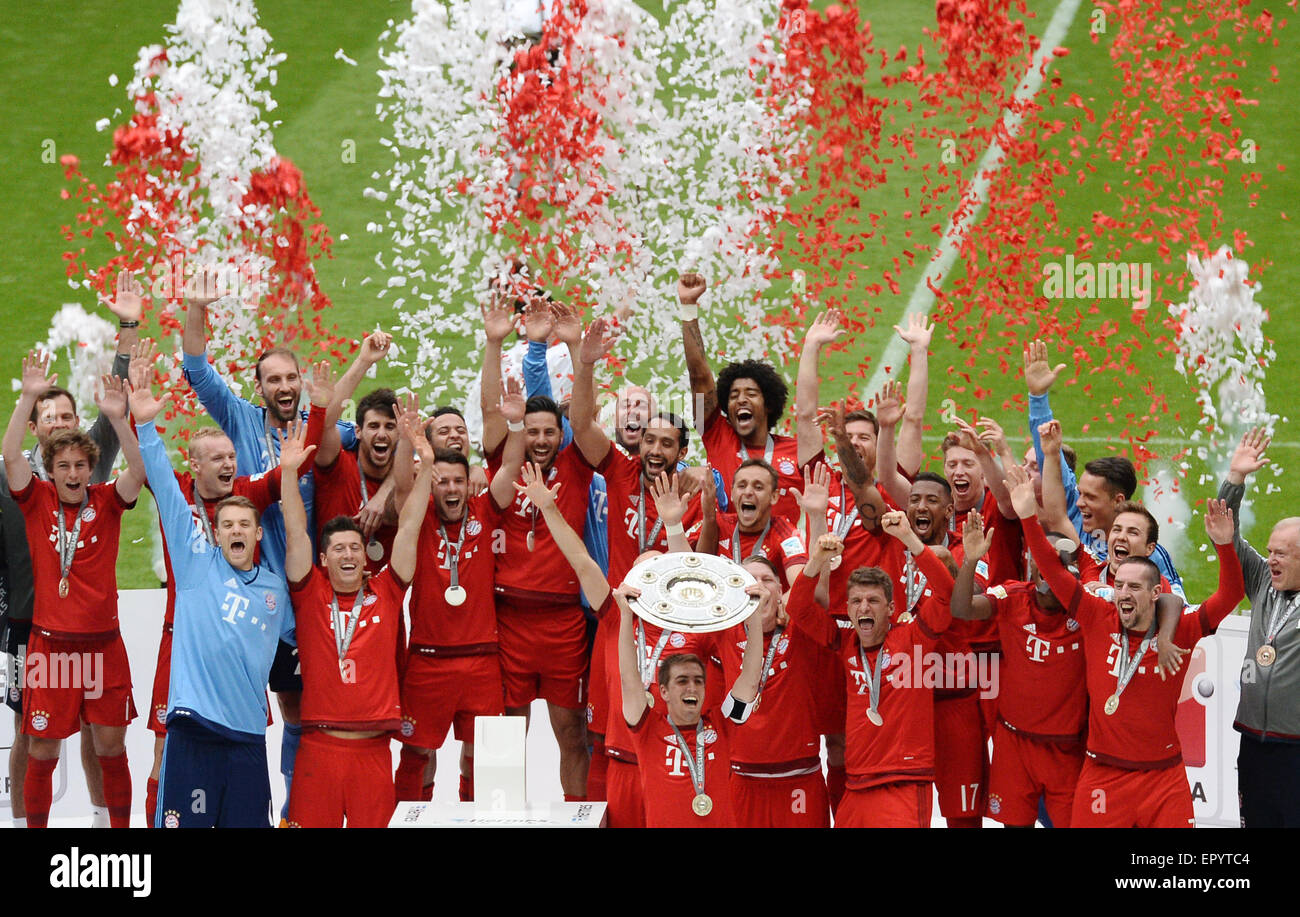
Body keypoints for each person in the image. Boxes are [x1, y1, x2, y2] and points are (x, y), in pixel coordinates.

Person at [181, 272, 379, 815]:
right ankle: (232, 805)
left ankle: (292, 811)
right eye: (274, 380)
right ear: (260, 386)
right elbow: (197, 370)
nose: (284, 387)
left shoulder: (319, 425)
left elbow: (351, 425)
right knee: (236, 706)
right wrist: (197, 310)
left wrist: (360, 364)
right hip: (247, 591)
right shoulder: (241, 420)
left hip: (303, 596)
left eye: (291, 377)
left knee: (298, 708)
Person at [137, 340, 325, 826]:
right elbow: (160, 477)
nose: (237, 531)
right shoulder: (195, 564)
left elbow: (304, 626)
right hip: (193, 733)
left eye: (246, 525)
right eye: (228, 526)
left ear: (259, 533)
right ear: (214, 533)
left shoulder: (274, 592)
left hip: (246, 741)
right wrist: (142, 425)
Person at [1011, 464, 1244, 827]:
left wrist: (1227, 546)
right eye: (1120, 586)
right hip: (1103, 772)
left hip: (1164, 778)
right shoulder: (1096, 615)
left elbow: (1230, 594)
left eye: (1135, 587)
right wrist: (1027, 515)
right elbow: (1052, 569)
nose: (1123, 593)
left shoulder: (1179, 628)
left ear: (1155, 592)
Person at [1, 273, 140, 828]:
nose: (76, 473)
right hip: (48, 644)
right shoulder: (34, 501)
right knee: (40, 750)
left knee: (110, 749)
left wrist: (117, 420)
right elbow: (10, 454)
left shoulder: (106, 500)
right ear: (50, 470)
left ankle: (119, 838)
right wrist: (28, 398)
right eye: (65, 466)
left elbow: (140, 470)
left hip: (104, 647)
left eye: (82, 465)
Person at [282, 411, 433, 828]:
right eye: (339, 549)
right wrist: (288, 474)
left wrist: (426, 463)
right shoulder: (310, 592)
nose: (349, 555)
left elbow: (411, 526)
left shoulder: (386, 591)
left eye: (355, 548)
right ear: (324, 558)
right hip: (317, 749)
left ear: (364, 555)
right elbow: (296, 532)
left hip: (373, 753)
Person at [479, 294, 597, 800]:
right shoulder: (504, 466)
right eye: (533, 431)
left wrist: (573, 352)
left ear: (561, 434)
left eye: (550, 431)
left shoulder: (575, 464)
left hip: (563, 622)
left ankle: (576, 816)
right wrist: (494, 344)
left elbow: (587, 417)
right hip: (509, 621)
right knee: (508, 736)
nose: (542, 440)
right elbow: (493, 416)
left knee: (571, 733)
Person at [392, 381, 526, 804]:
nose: (450, 489)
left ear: (470, 483)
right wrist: (407, 444)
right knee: (416, 754)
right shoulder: (422, 515)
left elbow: (510, 469)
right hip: (429, 659)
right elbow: (400, 490)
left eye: (457, 481)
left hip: (482, 659)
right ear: (430, 484)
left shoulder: (486, 510)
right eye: (441, 481)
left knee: (485, 758)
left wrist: (518, 424)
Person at [785, 520, 956, 828]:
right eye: (856, 601)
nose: (864, 607)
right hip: (857, 782)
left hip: (903, 782)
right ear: (848, 610)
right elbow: (799, 608)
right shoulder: (846, 643)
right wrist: (818, 560)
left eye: (873, 601)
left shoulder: (915, 639)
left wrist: (908, 538)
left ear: (891, 608)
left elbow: (946, 593)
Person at [615, 578, 765, 827]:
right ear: (663, 691)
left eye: (698, 680)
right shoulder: (647, 728)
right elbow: (629, 678)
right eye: (682, 681)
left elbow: (749, 680)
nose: (692, 687)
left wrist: (756, 616)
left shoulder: (721, 725)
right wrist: (625, 616)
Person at [1217, 427, 1300, 826]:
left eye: (1281, 554)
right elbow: (1227, 535)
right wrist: (1235, 479)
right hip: (1253, 742)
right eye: (1268, 552)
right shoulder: (1264, 582)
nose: (1271, 561)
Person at [679, 272, 803, 524]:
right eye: (734, 395)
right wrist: (688, 308)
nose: (741, 400)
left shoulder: (798, 452)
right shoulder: (717, 435)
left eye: (751, 393)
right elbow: (699, 377)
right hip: (726, 555)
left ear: (768, 404)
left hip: (780, 559)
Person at [723, 556, 830, 827]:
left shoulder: (801, 628)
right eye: (748, 580)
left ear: (781, 590)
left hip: (800, 778)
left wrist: (818, 532)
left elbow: (814, 589)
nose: (758, 586)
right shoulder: (723, 633)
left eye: (767, 580)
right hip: (744, 780)